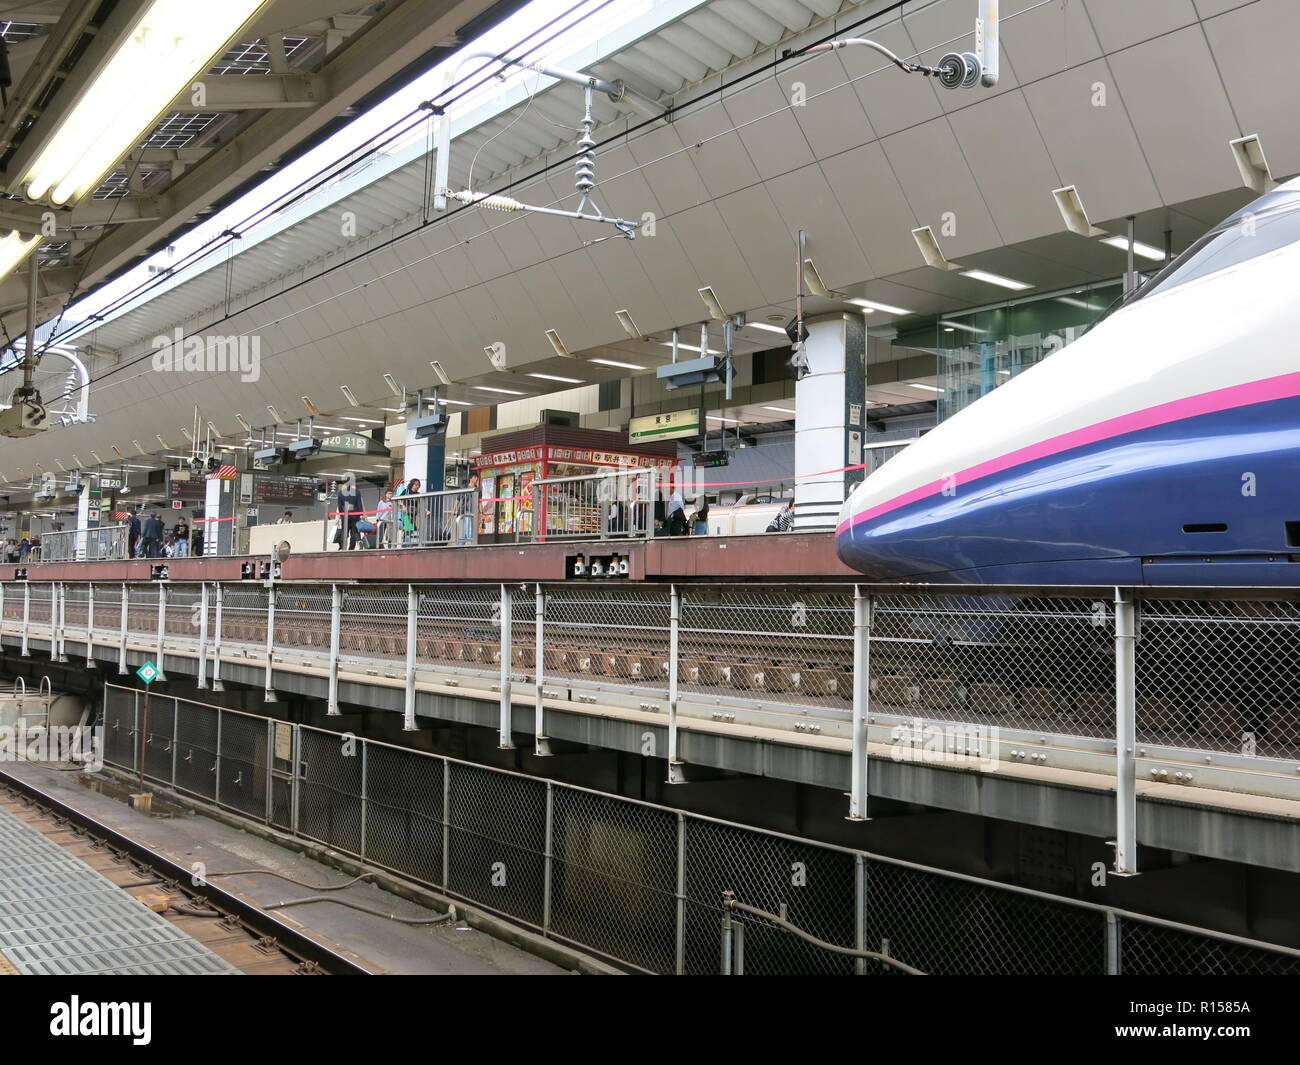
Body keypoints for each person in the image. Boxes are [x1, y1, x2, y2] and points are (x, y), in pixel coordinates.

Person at [336, 475, 363, 550]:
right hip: (355, 515)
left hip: (345, 515)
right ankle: (357, 542)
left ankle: (343, 546)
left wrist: (342, 515)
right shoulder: (357, 492)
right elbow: (359, 504)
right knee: (355, 531)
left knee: (345, 532)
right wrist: (360, 514)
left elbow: (339, 505)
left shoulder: (340, 493)